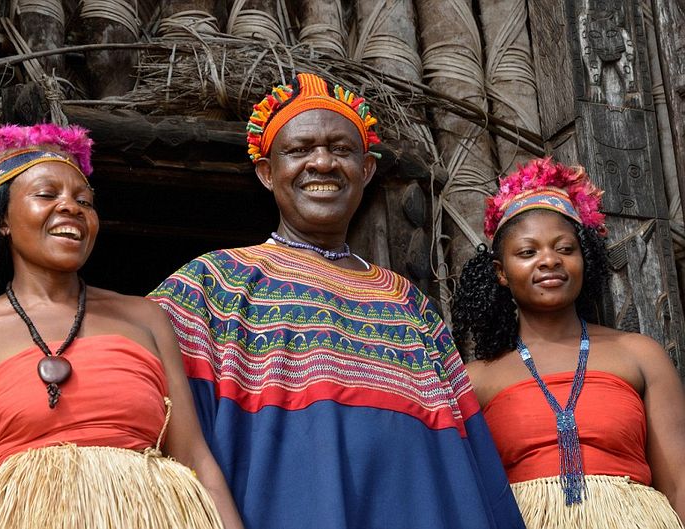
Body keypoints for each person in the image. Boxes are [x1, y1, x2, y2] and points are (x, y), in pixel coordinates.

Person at [148, 72, 525, 529]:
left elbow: (467, 463)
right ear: (266, 173)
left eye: (341, 149)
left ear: (366, 170)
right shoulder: (213, 284)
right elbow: (137, 408)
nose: (323, 162)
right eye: (300, 150)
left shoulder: (411, 305)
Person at [0, 123, 243, 529]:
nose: (71, 207)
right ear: (2, 219)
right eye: (46, 194)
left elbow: (195, 458)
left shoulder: (145, 318)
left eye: (84, 200)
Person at [452, 158, 685, 528]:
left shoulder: (639, 354)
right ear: (501, 272)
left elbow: (679, 482)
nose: (549, 261)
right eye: (527, 252)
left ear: (584, 259)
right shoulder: (475, 379)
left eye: (565, 249)